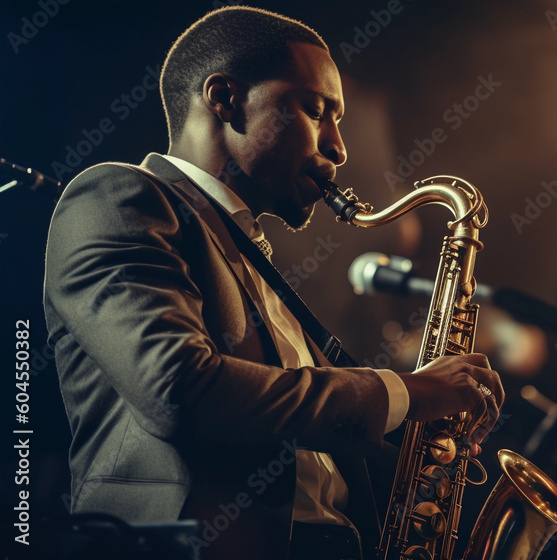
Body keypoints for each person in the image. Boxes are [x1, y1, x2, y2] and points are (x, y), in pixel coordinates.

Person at [42, 7, 503, 560]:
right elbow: (180, 392)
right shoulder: (118, 197)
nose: (339, 148)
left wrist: (425, 434)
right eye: (317, 111)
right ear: (226, 99)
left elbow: (296, 444)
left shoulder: (251, 252)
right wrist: (408, 391)